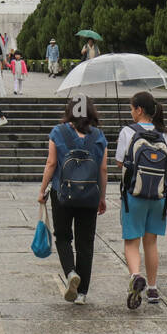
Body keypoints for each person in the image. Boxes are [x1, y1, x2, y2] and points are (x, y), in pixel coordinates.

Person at [38, 94, 107, 304]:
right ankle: (82, 293)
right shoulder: (98, 136)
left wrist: (42, 191)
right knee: (86, 243)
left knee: (63, 237)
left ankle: (70, 273)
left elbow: (51, 164)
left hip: (62, 194)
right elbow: (103, 169)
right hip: (89, 196)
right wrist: (102, 197)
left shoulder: (58, 132)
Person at [115, 92, 167, 309]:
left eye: (132, 108)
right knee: (151, 243)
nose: (130, 113)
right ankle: (152, 288)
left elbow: (119, 164)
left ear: (139, 110)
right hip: (159, 197)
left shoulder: (127, 131)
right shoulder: (164, 135)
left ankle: (135, 276)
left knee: (132, 241)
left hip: (134, 194)